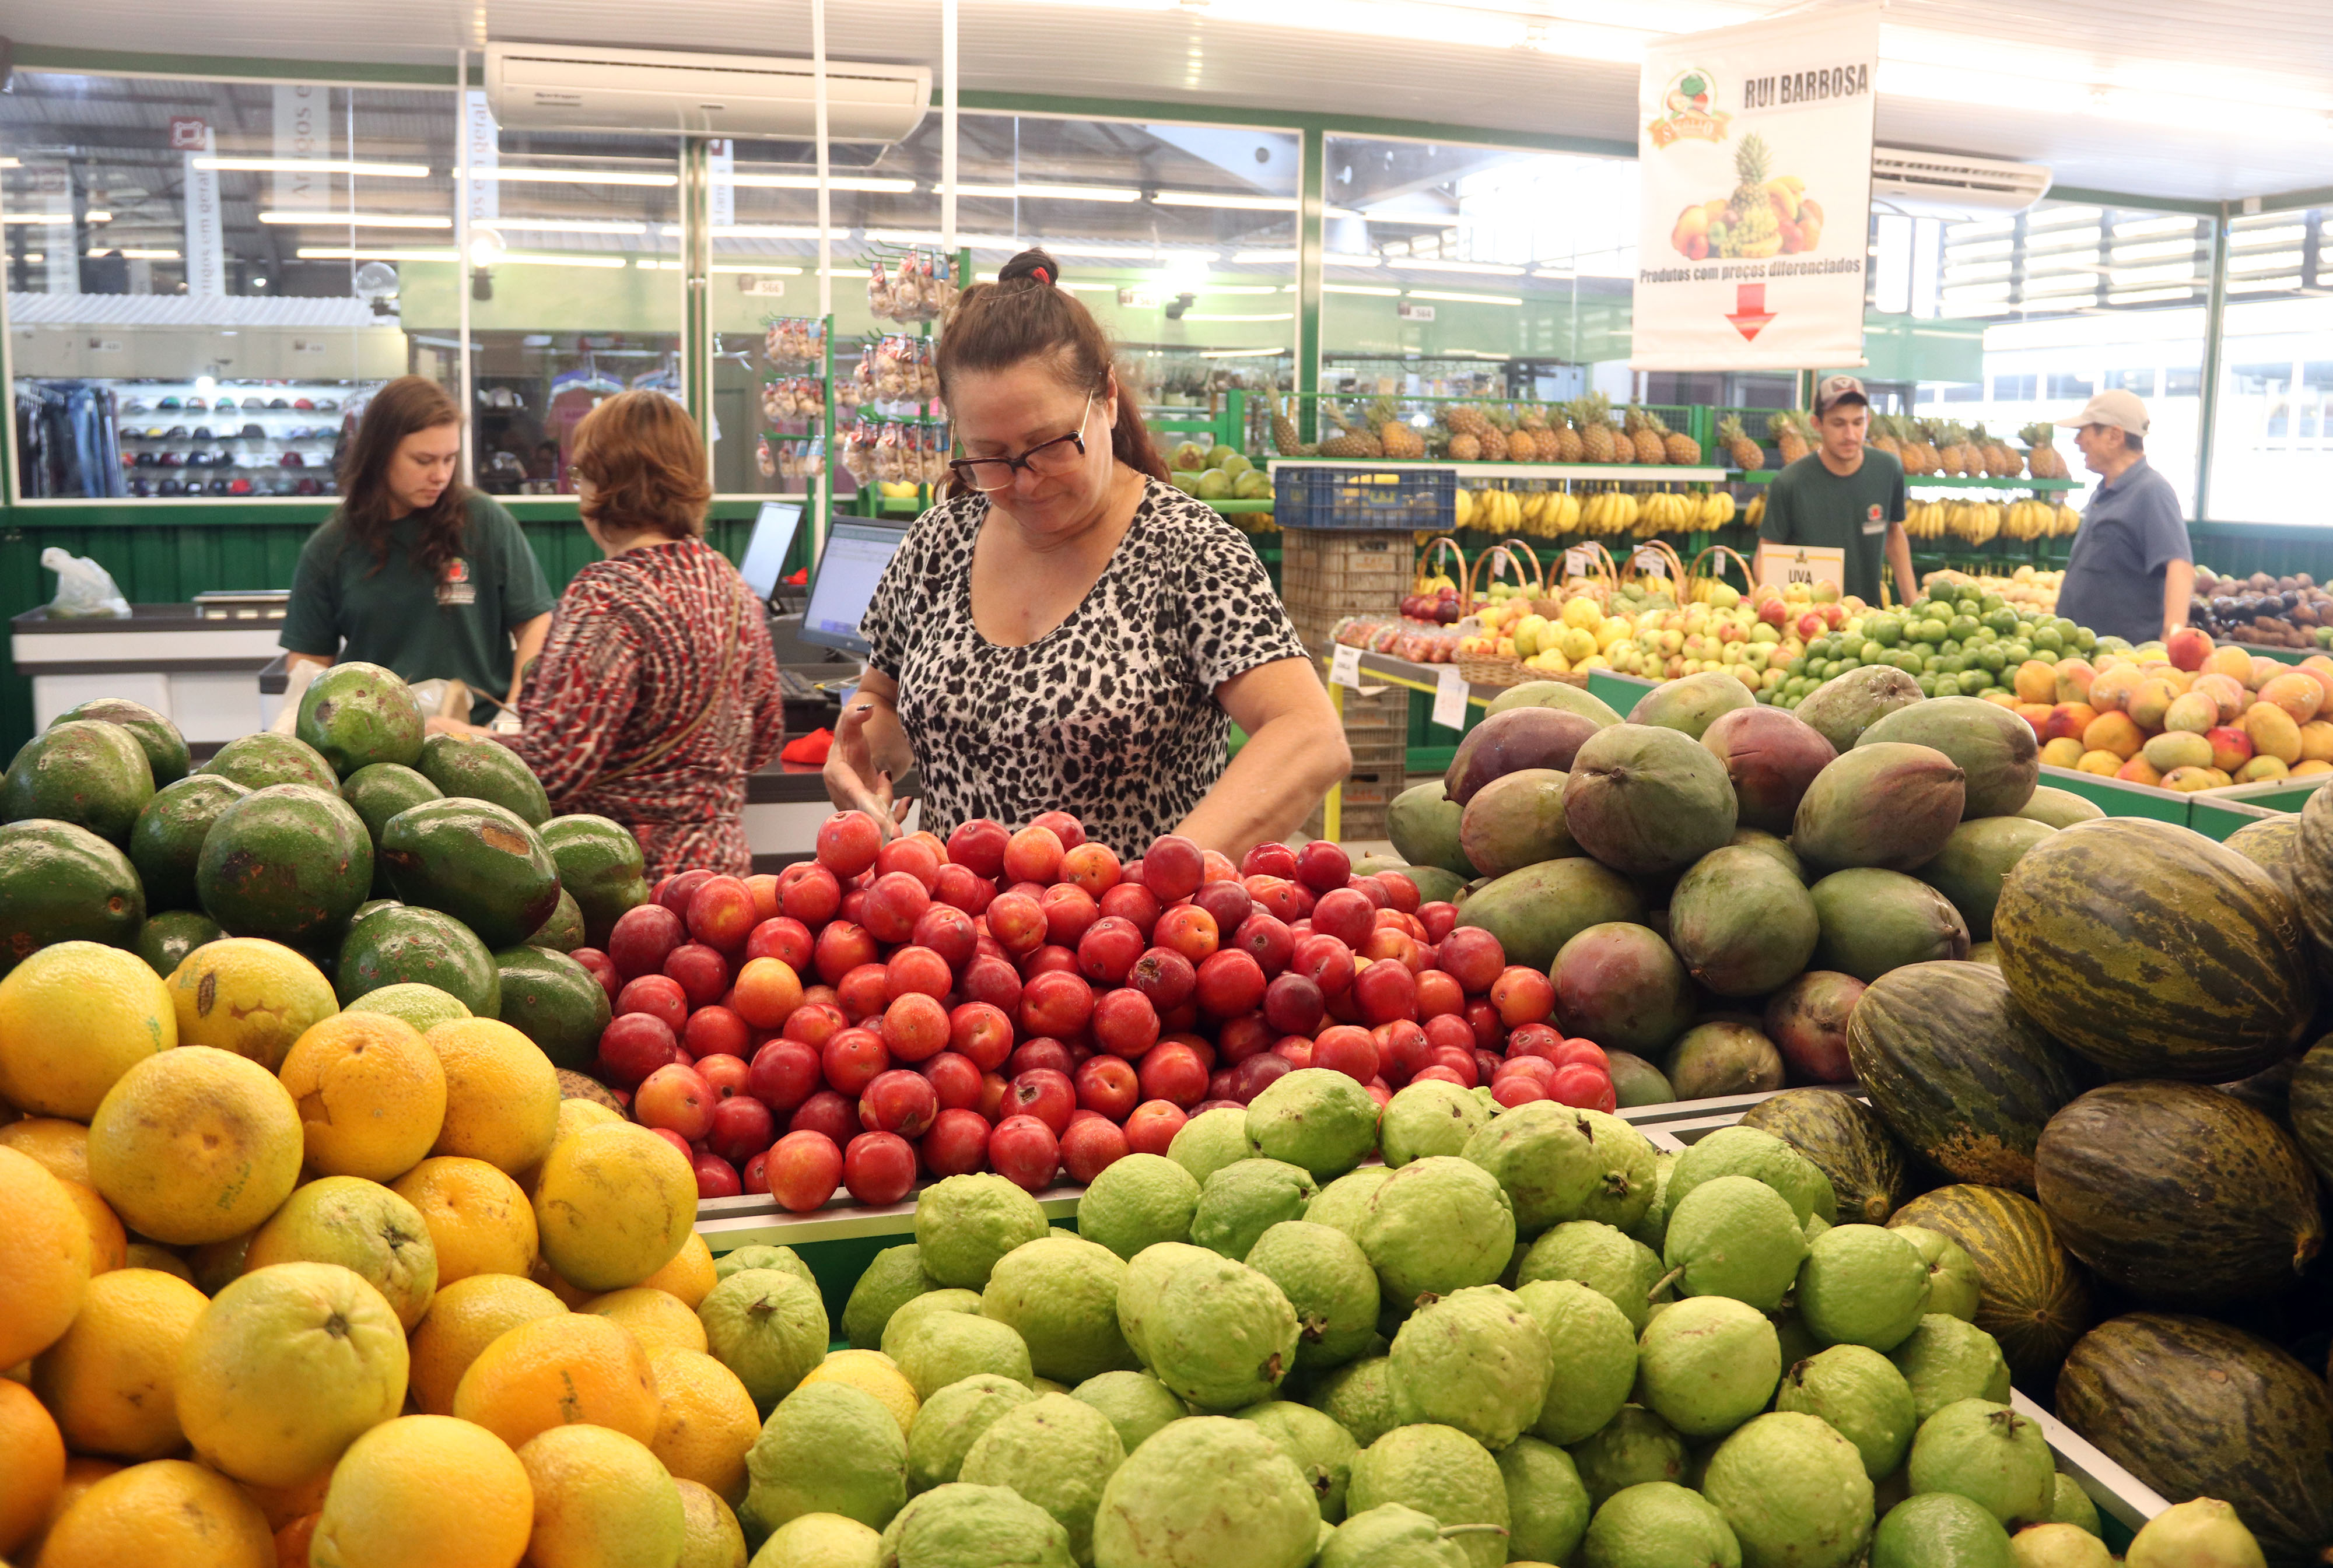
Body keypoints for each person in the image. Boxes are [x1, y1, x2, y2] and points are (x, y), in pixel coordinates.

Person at [826, 247, 1349, 858]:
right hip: (955, 935)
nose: (1024, 481)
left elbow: (1309, 736)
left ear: (1104, 397)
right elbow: (880, 697)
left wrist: (1160, 883)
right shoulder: (938, 542)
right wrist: (859, 757)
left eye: (1048, 444)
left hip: (1127, 943)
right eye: (989, 454)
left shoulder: (1188, 550)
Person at [428, 390, 786, 878]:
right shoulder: (734, 587)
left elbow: (554, 771)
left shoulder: (606, 596)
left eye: (581, 475)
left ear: (606, 485)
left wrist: (463, 742)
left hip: (627, 884)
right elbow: (765, 738)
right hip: (723, 883)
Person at [281, 376, 554, 725]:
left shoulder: (484, 520)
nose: (440, 475)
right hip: (380, 747)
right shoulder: (331, 547)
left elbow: (535, 624)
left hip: (483, 735)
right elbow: (308, 664)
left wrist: (513, 718)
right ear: (380, 454)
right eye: (424, 461)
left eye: (449, 459)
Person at [1757, 374, 1915, 609]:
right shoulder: (1789, 482)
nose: (1850, 435)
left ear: (1868, 421)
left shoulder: (1888, 470)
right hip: (1810, 624)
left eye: (1858, 423)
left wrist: (1913, 601)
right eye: (1838, 424)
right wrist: (1781, 607)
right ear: (1817, 424)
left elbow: (1893, 533)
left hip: (1868, 621)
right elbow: (1766, 555)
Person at [2051, 389, 2193, 648]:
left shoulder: (2152, 491)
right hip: (2086, 652)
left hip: (2125, 660)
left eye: (2084, 431)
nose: (2077, 441)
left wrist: (2170, 644)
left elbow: (2180, 568)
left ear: (2115, 436)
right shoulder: (2104, 490)